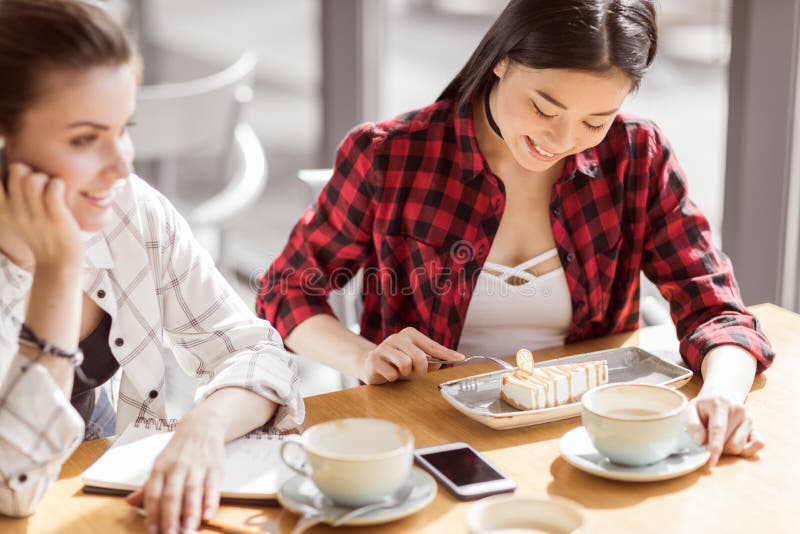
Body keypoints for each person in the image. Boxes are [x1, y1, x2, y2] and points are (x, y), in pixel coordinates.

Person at [257, 0, 773, 468]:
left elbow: (716, 309)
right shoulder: (391, 156)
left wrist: (723, 393)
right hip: (430, 435)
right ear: (501, 58)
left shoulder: (636, 155)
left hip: (591, 440)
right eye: (544, 109)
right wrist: (363, 356)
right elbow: (286, 292)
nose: (562, 140)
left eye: (595, 120)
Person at [0, 0, 304, 530]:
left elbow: (254, 349)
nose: (123, 165)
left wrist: (203, 428)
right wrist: (58, 270)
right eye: (85, 139)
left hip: (92, 493)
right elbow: (14, 487)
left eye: (124, 128)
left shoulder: (128, 210)